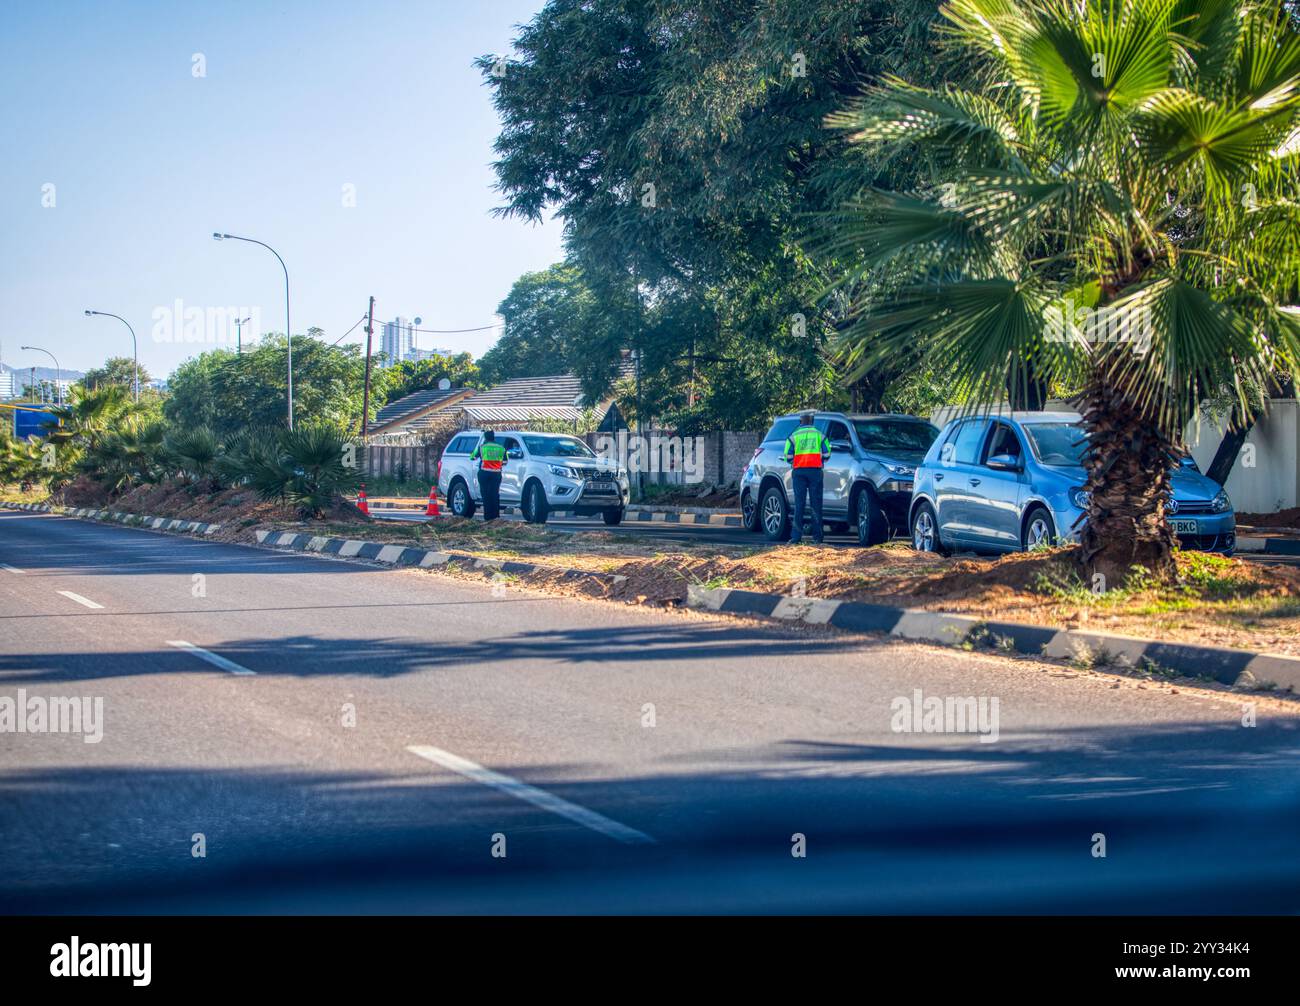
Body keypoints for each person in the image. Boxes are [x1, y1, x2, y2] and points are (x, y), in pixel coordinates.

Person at [782, 411, 830, 545]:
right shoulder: (820, 435)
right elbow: (827, 454)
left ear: (801, 422)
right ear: (812, 422)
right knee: (816, 505)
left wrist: (796, 462)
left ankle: (796, 537)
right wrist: (819, 460)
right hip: (815, 472)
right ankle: (818, 538)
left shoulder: (793, 436)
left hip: (799, 472)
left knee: (799, 505)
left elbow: (788, 456)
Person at [470, 429, 507, 521]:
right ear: (494, 437)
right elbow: (505, 461)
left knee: (486, 495)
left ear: (485, 438)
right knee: (495, 494)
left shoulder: (482, 447)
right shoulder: (501, 448)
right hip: (496, 474)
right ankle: (496, 516)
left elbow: (472, 457)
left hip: (484, 473)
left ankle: (488, 517)